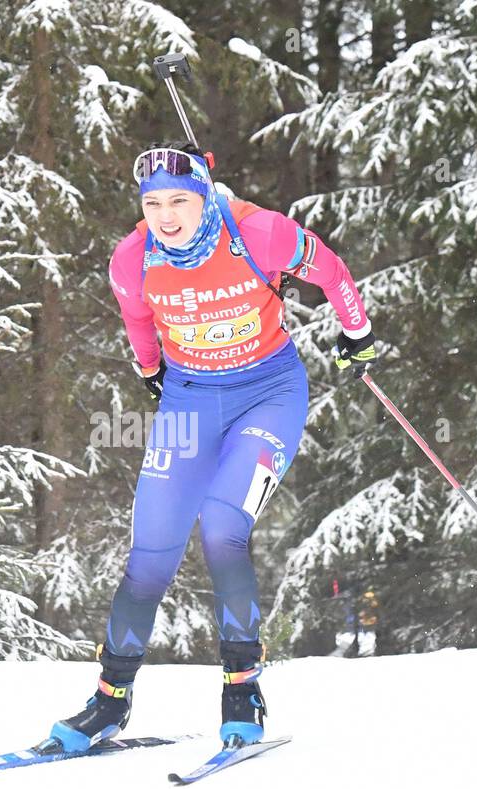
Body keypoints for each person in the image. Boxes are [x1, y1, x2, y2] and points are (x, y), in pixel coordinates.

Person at [44, 141, 376, 753]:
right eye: (151, 203)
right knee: (152, 545)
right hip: (189, 400)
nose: (165, 216)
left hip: (268, 393)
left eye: (178, 200)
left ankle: (241, 687)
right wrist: (151, 370)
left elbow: (328, 268)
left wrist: (357, 333)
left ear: (203, 197)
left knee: (222, 527)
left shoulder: (259, 234)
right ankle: (109, 702)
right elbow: (140, 321)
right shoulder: (132, 258)